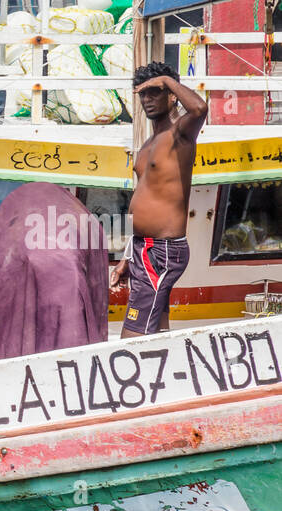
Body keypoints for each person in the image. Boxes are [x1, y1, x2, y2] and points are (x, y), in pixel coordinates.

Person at [109, 61, 208, 336]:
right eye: (143, 94)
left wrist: (167, 79)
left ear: (171, 94)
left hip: (162, 251)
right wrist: (128, 257)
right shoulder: (147, 145)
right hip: (144, 248)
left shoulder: (181, 135)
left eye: (154, 91)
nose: (147, 99)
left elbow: (200, 108)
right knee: (157, 330)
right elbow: (145, 198)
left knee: (132, 337)